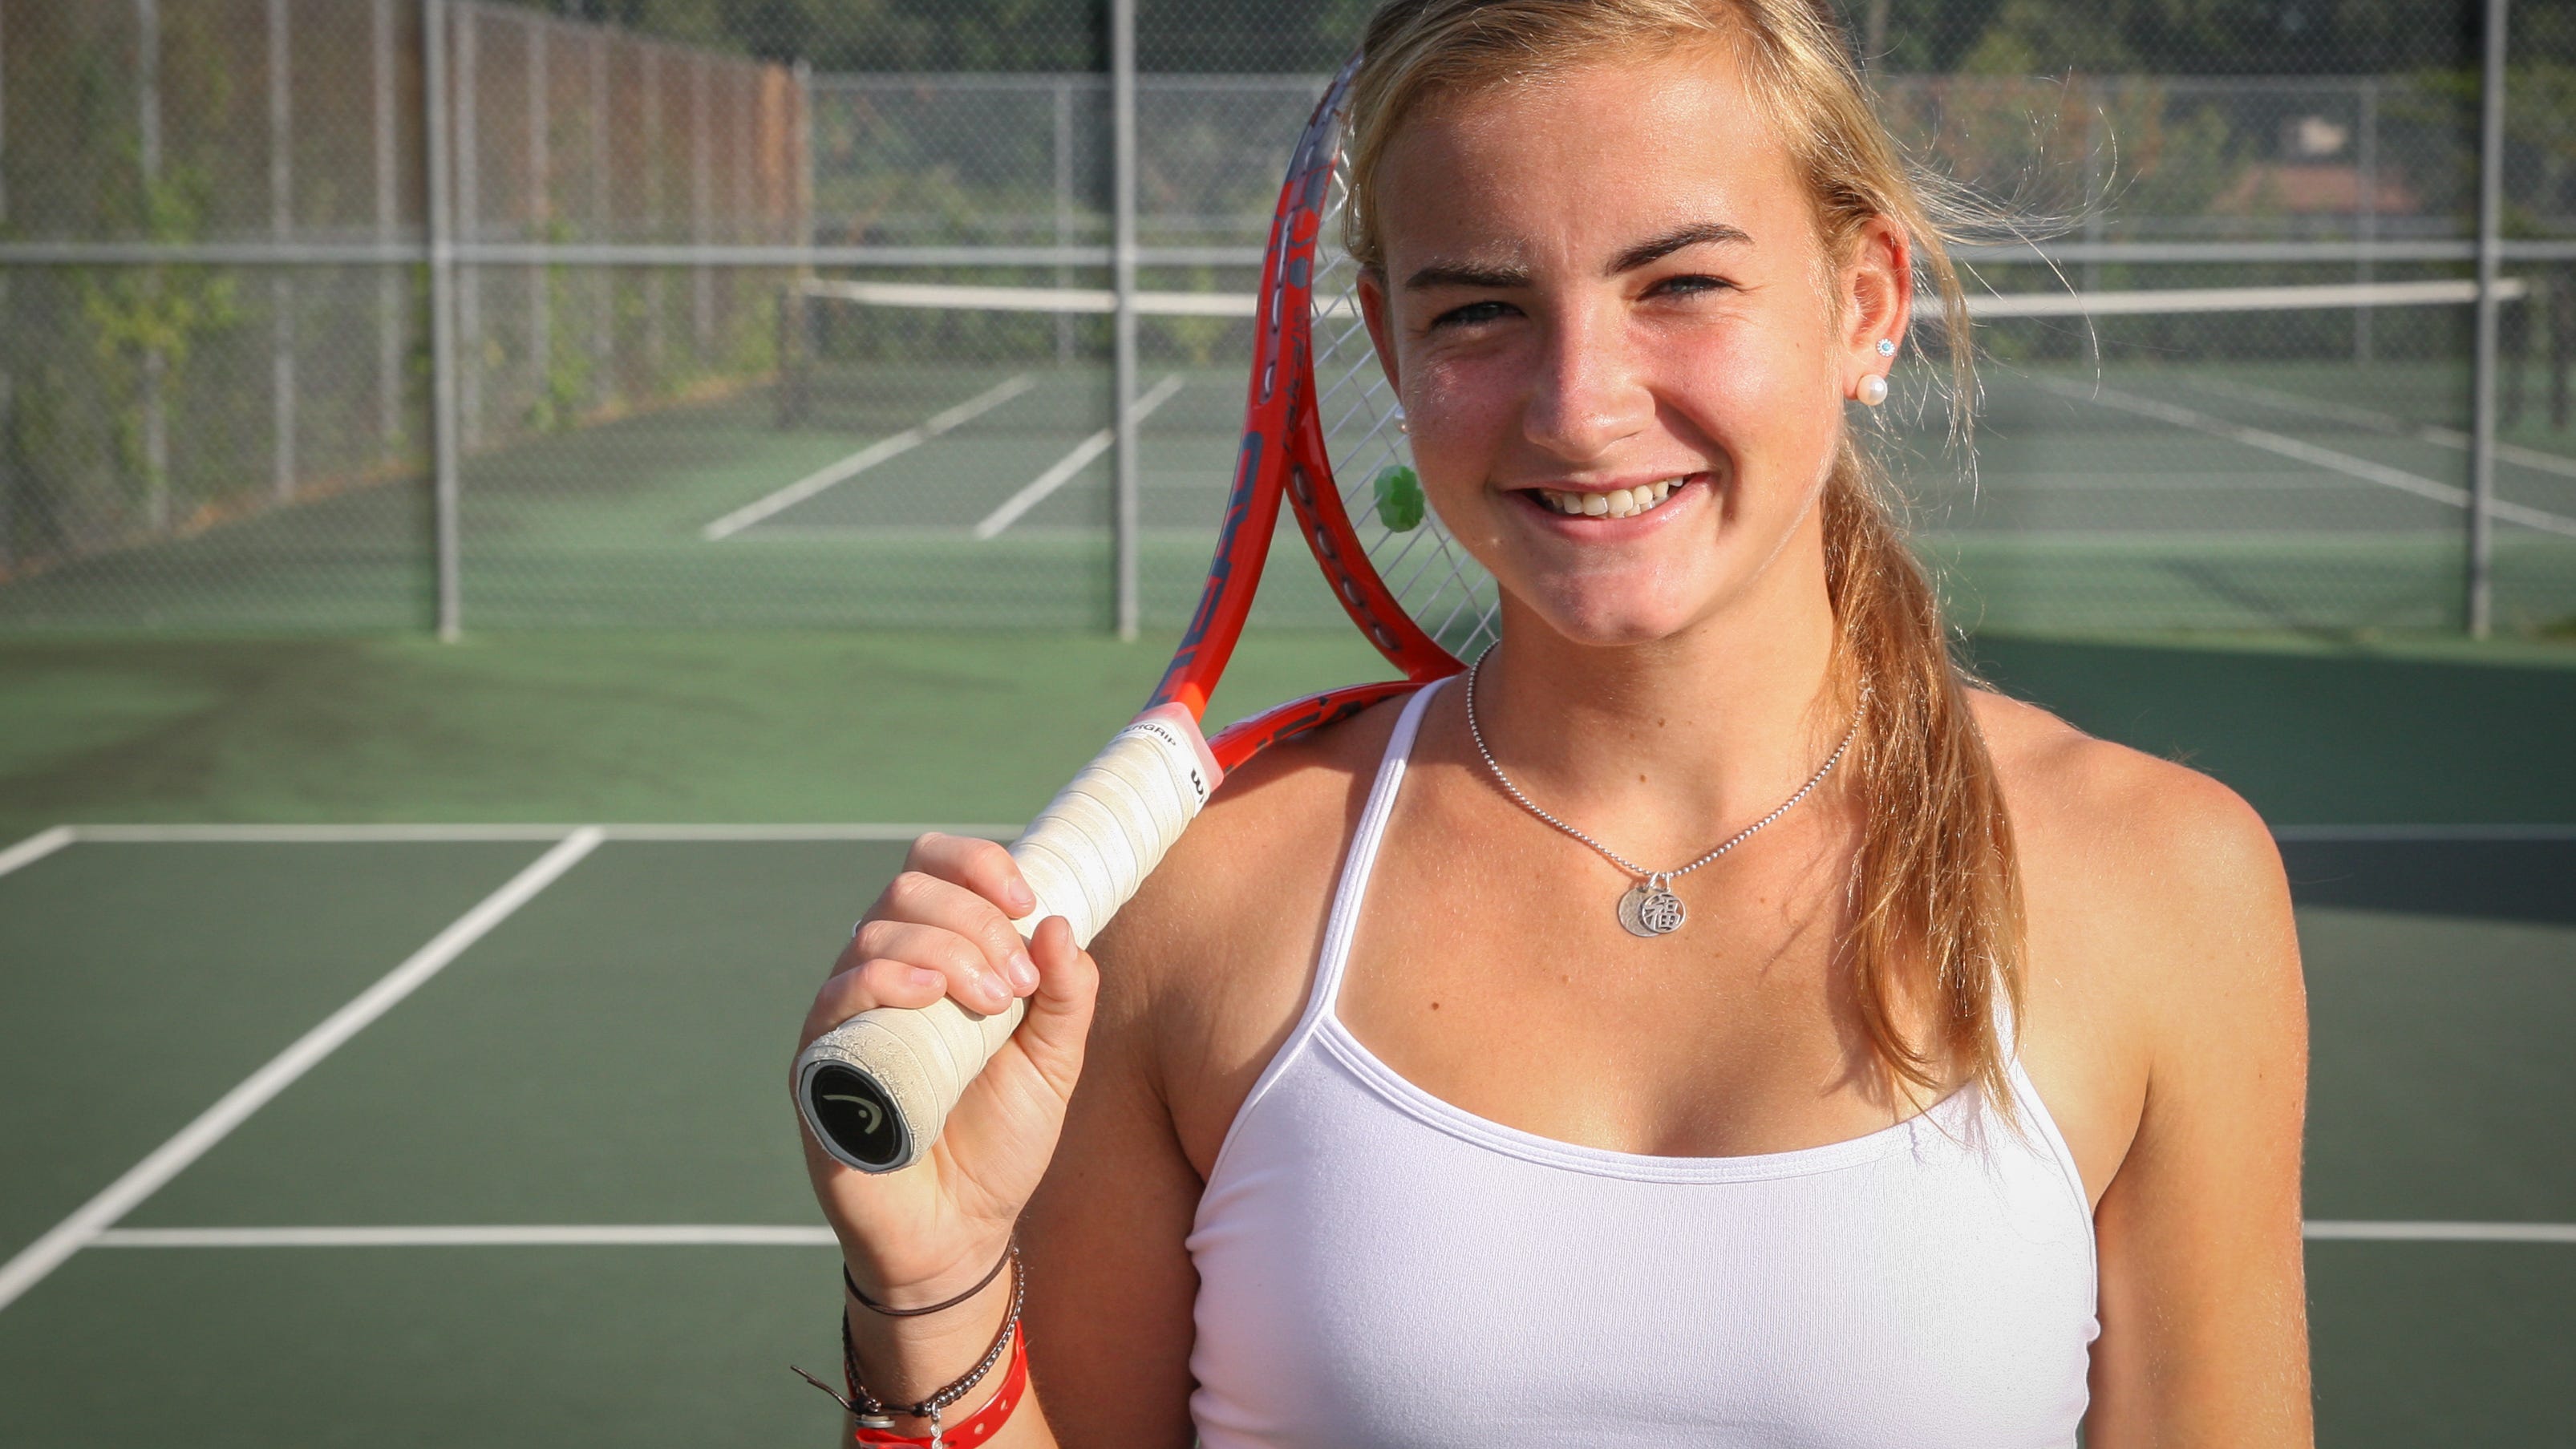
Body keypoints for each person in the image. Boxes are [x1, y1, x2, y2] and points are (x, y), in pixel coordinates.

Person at [796, 0, 2314, 1443]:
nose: (1579, 406)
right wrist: (929, 1296)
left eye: (1681, 284)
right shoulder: (1197, 899)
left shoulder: (2167, 885)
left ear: (1865, 305)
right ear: (1390, 354)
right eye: (1479, 311)